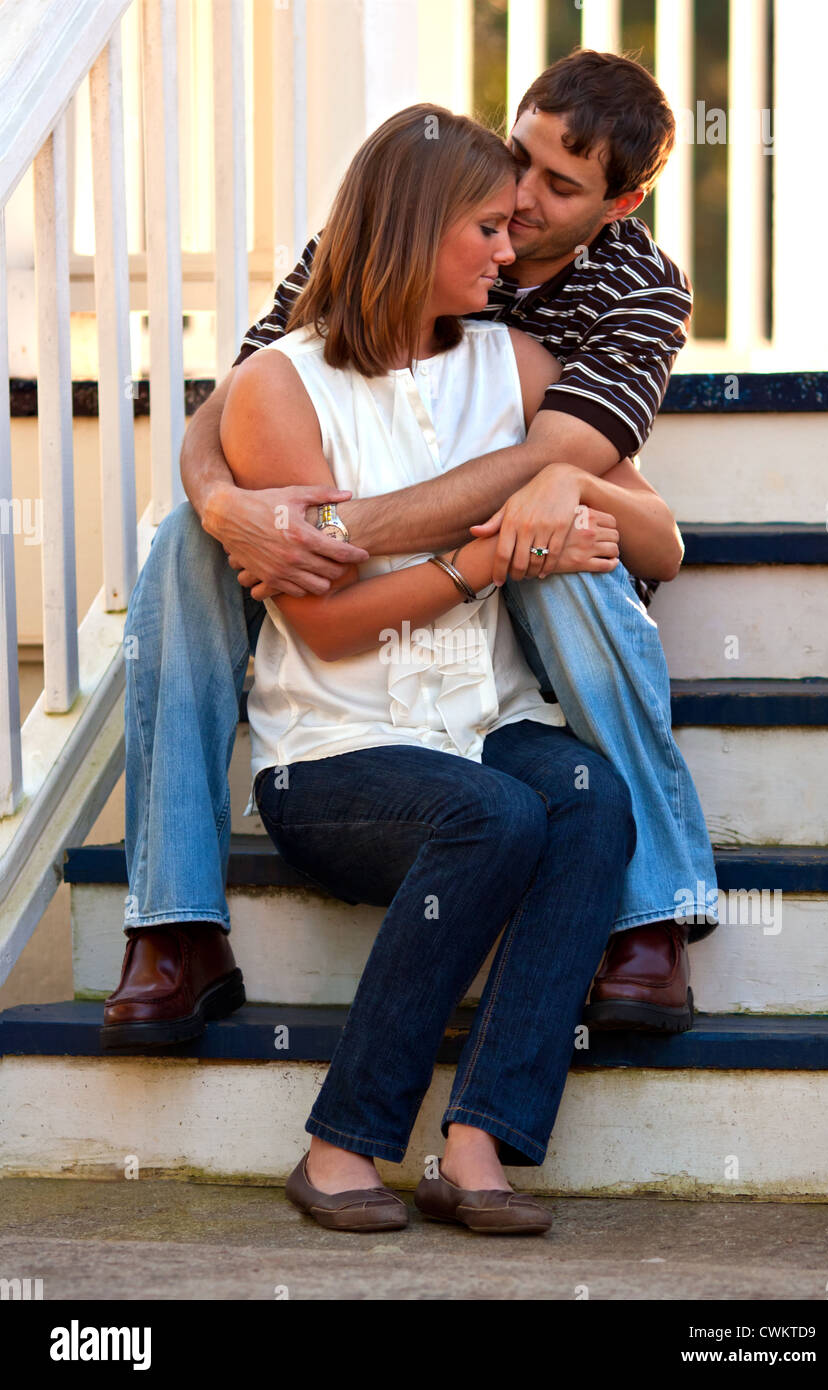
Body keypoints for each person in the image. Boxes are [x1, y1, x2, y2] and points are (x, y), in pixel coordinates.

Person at [102, 47, 717, 1062]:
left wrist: (338, 533)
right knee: (185, 541)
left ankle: (648, 909)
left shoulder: (637, 289)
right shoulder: (405, 218)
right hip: (408, 578)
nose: (516, 200)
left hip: (542, 562)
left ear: (621, 202)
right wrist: (228, 505)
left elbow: (552, 460)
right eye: (516, 158)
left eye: (557, 186)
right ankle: (173, 924)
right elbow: (240, 395)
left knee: (540, 525)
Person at [216, 104, 638, 1233]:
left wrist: (569, 489)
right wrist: (478, 558)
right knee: (495, 816)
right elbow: (330, 627)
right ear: (413, 228)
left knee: (592, 802)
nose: (510, 255)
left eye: (513, 228)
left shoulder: (514, 365)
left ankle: (477, 1140)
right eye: (488, 230)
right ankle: (339, 1143)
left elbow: (654, 530)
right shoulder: (280, 389)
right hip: (336, 757)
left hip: (480, 724)